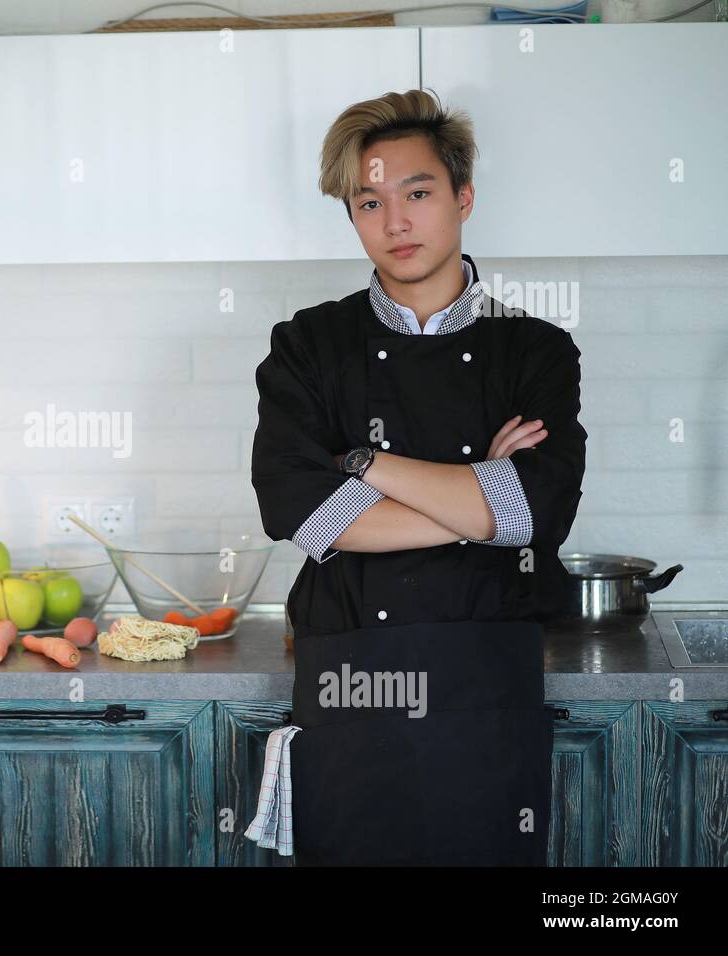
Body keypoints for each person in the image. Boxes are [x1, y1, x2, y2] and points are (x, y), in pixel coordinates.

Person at [251, 88, 586, 866]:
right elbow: (300, 510)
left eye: (418, 192)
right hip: (350, 670)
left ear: (464, 197)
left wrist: (365, 466)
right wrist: (481, 500)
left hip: (485, 672)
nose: (395, 221)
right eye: (369, 201)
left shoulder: (534, 350)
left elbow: (539, 510)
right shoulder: (308, 345)